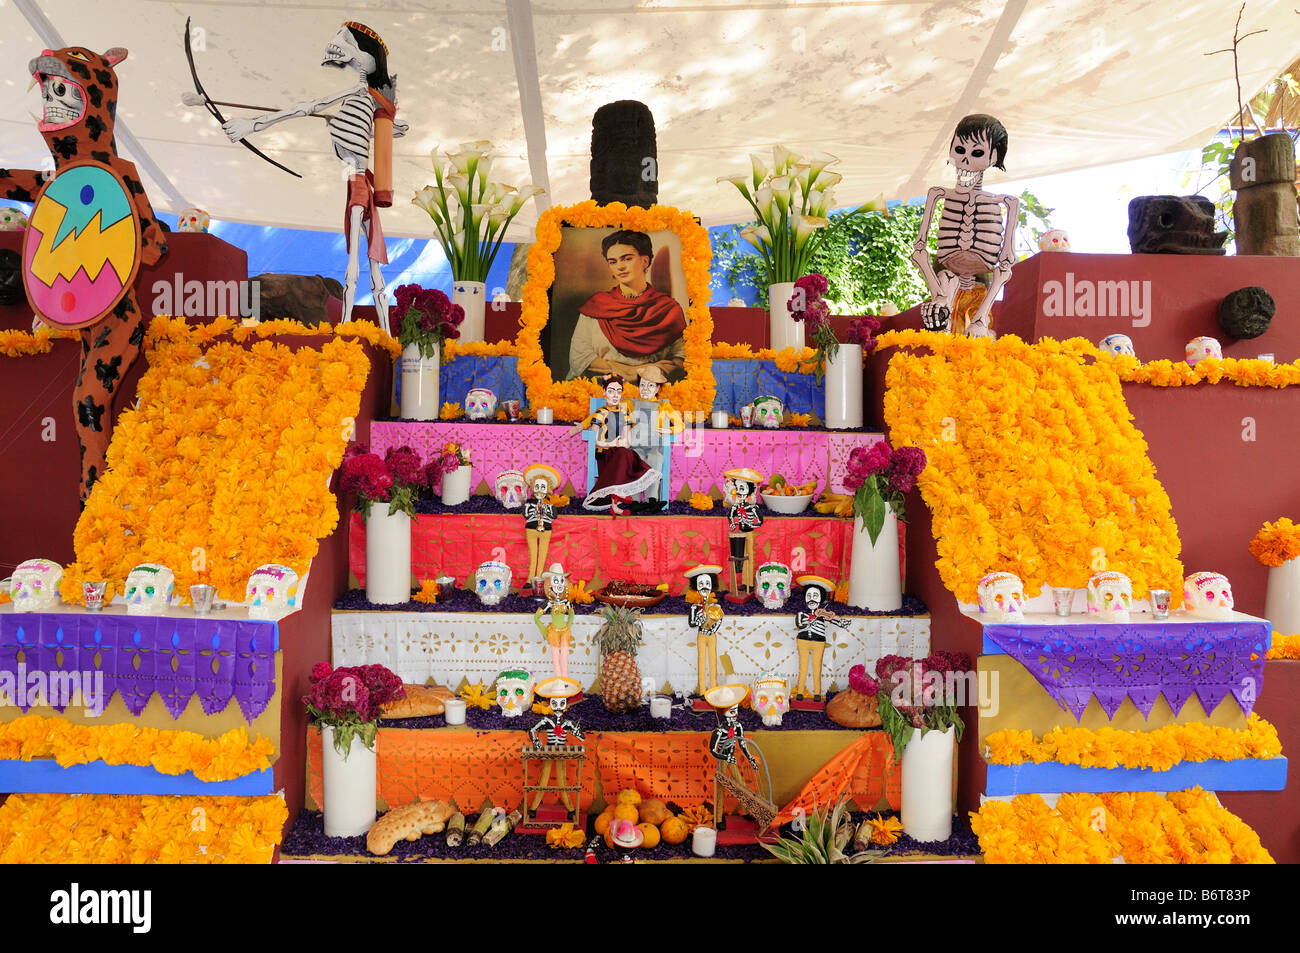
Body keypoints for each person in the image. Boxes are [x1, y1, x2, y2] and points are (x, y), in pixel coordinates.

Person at [566, 230, 687, 382]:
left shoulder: (668, 309)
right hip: (601, 394)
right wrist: (636, 372)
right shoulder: (596, 306)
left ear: (645, 261)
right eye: (613, 261)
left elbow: (680, 359)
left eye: (627, 259)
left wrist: (615, 368)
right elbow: (580, 358)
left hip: (652, 395)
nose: (620, 267)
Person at [571, 375, 660, 511]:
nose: (615, 395)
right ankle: (619, 495)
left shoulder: (624, 413)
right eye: (611, 391)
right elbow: (594, 440)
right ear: (604, 392)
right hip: (604, 452)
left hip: (619, 451)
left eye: (619, 392)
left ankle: (618, 502)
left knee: (627, 452)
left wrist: (623, 443)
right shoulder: (600, 413)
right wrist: (610, 444)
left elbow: (628, 439)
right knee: (625, 454)